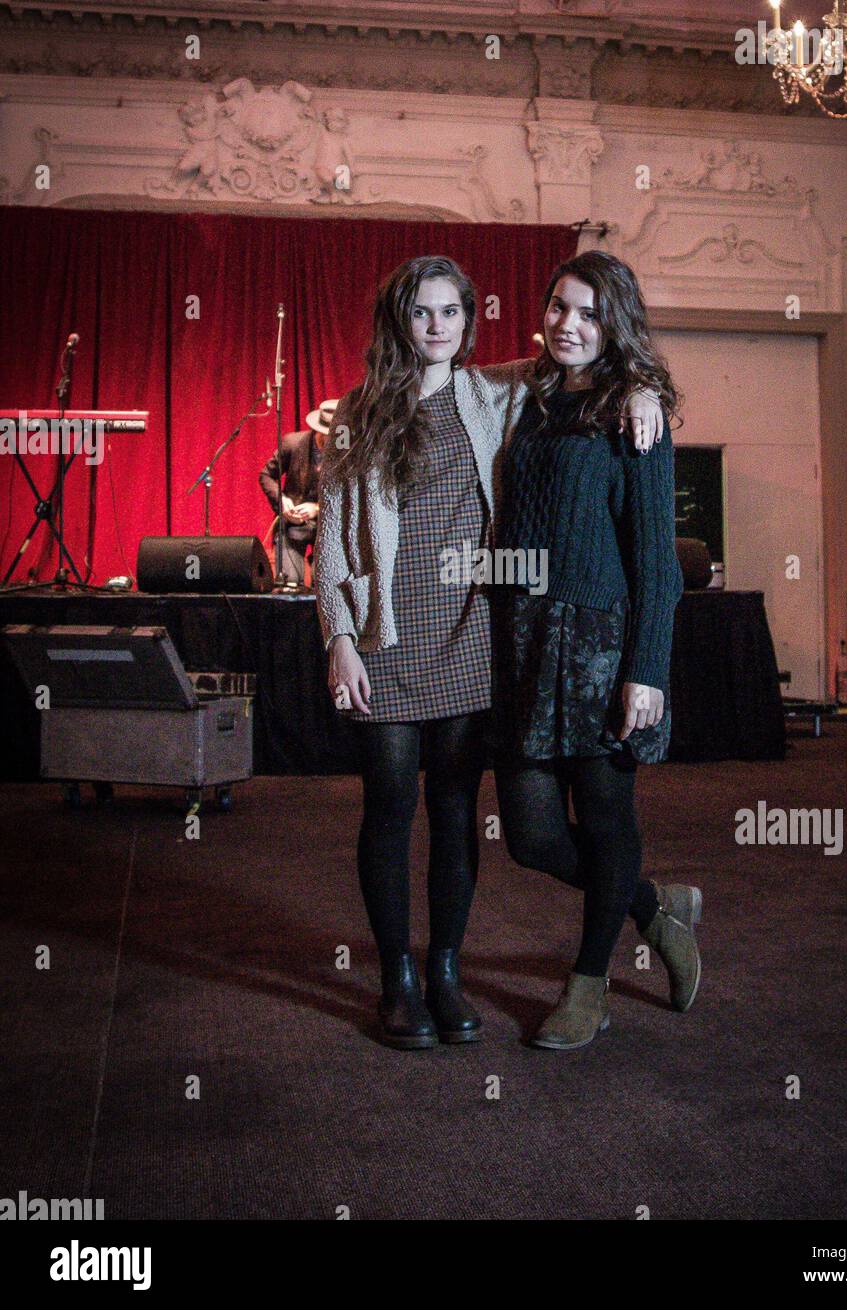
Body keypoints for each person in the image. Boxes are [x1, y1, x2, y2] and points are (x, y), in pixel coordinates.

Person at [313, 254, 666, 1050]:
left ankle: (444, 969)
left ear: (470, 323)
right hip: (387, 639)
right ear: (398, 322)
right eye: (422, 313)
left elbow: (590, 362)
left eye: (452, 313)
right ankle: (397, 981)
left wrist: (646, 389)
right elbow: (332, 544)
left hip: (474, 638)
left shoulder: (495, 390)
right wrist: (339, 637)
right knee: (390, 807)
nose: (437, 328)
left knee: (453, 812)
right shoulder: (356, 414)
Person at [491, 250, 702, 1051]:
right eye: (557, 308)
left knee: (606, 818)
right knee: (533, 837)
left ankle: (589, 986)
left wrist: (645, 668)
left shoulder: (633, 415)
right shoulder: (529, 396)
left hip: (599, 644)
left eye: (587, 313)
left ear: (614, 321)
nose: (567, 325)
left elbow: (656, 560)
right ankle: (653, 909)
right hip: (523, 639)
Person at [258, 400, 336, 585]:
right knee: (289, 586)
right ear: (319, 431)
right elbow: (266, 475)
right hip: (293, 528)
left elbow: (351, 494)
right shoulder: (292, 443)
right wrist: (282, 500)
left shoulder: (348, 451)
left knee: (327, 587)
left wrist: (317, 508)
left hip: (329, 529)